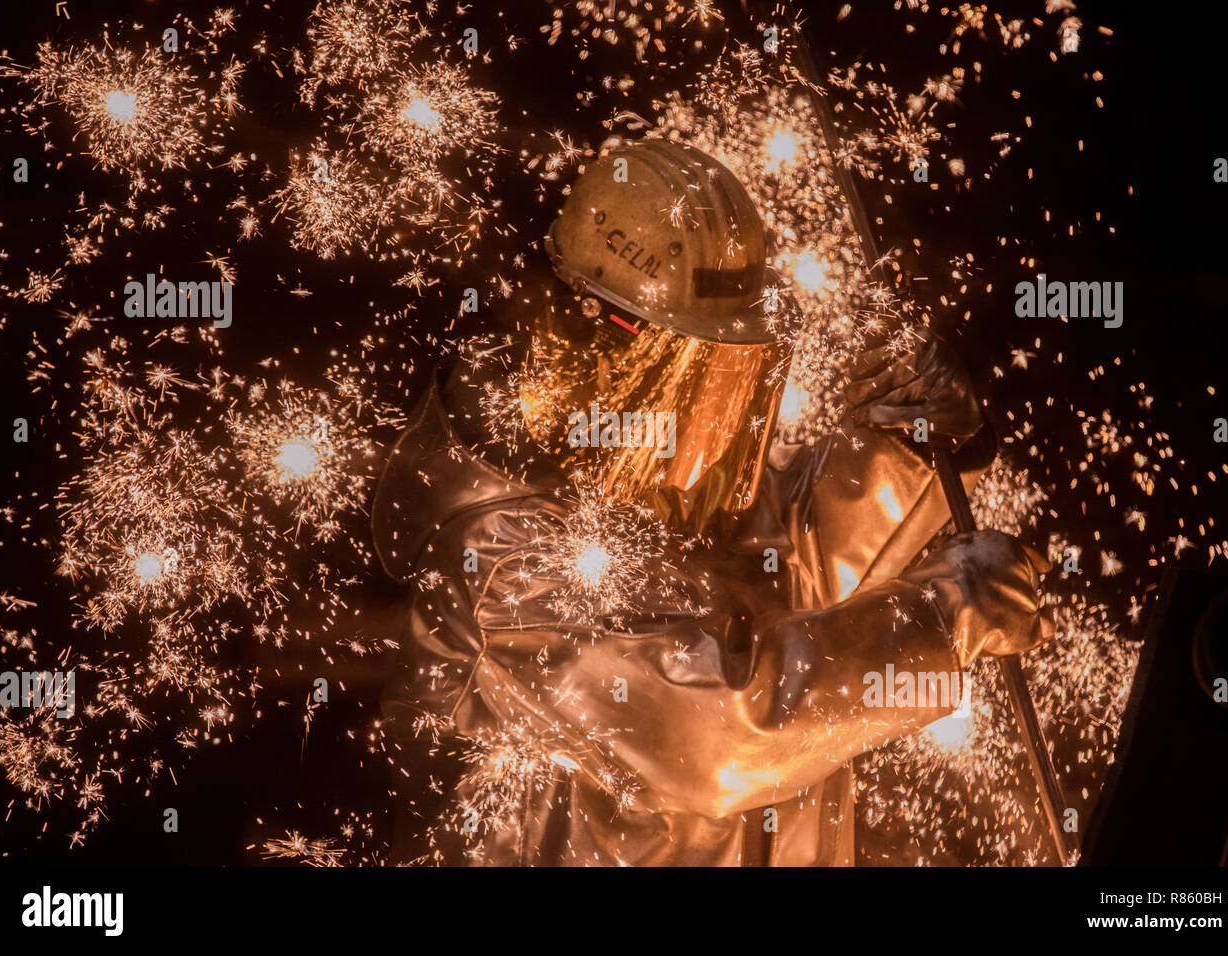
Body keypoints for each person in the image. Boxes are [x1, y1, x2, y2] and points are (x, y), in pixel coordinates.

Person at [373, 139, 1052, 865]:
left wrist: (911, 441)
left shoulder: (671, 491)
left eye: (735, 374)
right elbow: (724, 728)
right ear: (607, 355)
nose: (716, 416)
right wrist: (941, 615)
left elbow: (803, 570)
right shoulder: (504, 561)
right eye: (699, 377)